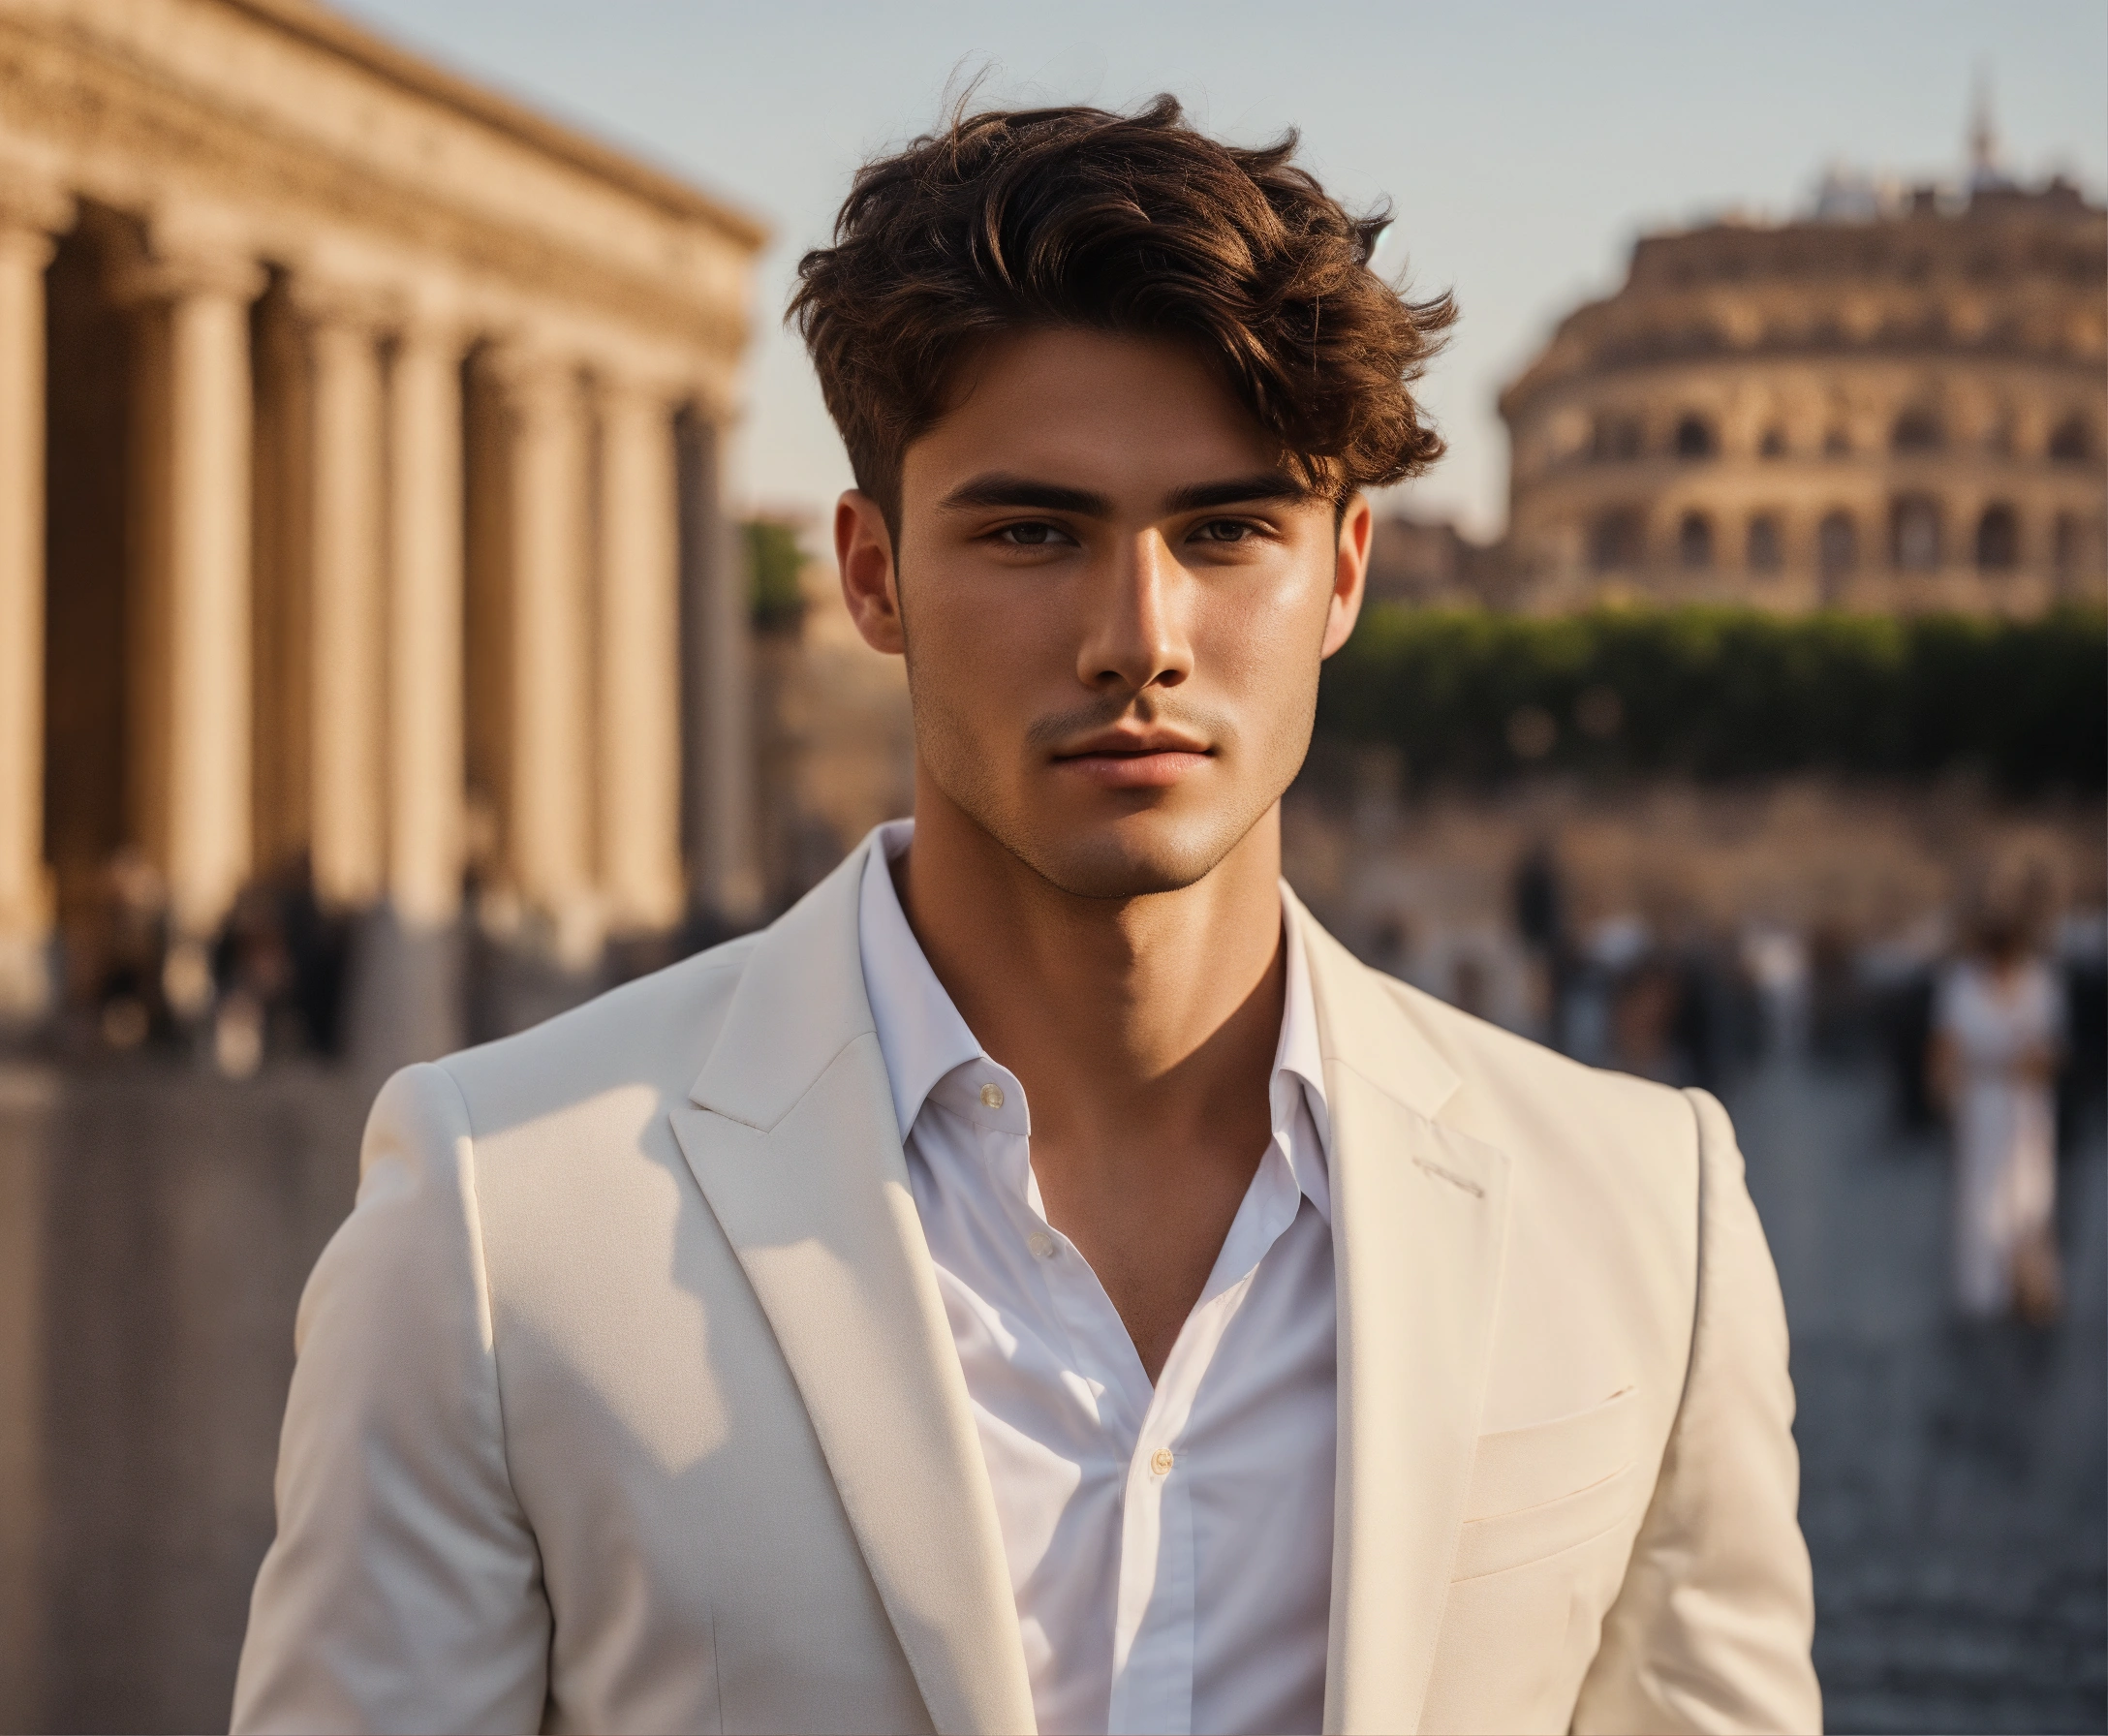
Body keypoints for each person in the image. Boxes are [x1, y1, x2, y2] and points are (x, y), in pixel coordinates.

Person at [232, 99, 1817, 1735]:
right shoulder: (492, 1225)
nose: (1138, 636)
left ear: (1344, 572)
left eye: (1224, 530)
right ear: (872, 575)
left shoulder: (1646, 1217)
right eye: (1032, 531)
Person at [1930, 896, 2066, 1325]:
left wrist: (1986, 1065)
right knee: (1982, 1210)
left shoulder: (2040, 983)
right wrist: (2004, 1066)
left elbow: (2045, 1059)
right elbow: (1945, 1058)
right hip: (1981, 1112)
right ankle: (1984, 1303)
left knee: (2031, 1202)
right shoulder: (1962, 985)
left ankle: (2030, 1291)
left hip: (2027, 1112)